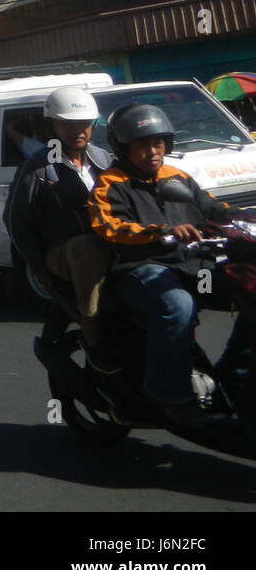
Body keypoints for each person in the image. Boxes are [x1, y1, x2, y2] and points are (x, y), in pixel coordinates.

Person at [88, 103, 248, 430]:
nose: (152, 152)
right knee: (177, 305)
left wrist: (245, 218)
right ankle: (169, 394)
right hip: (141, 268)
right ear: (122, 149)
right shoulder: (110, 183)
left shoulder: (178, 177)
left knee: (249, 289)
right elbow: (108, 227)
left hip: (193, 264)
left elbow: (215, 210)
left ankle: (236, 374)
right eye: (141, 146)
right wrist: (160, 232)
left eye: (158, 144)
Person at [4, 86, 116, 370]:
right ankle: (92, 330)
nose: (77, 130)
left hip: (110, 247)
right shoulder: (39, 167)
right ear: (51, 125)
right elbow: (15, 220)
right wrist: (39, 268)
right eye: (67, 123)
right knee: (86, 247)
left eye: (84, 124)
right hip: (64, 254)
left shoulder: (105, 161)